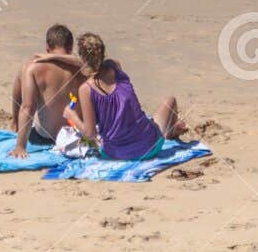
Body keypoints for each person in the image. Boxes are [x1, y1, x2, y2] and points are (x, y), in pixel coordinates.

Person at [69, 32, 186, 161]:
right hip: (150, 147)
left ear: (82, 58)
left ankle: (171, 130)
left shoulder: (85, 89)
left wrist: (72, 116)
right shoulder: (115, 67)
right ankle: (172, 131)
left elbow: (90, 133)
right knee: (170, 100)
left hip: (115, 154)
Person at [10, 24, 85, 158]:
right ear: (71, 46)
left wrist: (20, 146)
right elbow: (95, 62)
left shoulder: (34, 68)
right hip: (75, 133)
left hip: (45, 137)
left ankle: (14, 123)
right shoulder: (84, 68)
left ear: (47, 49)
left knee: (22, 75)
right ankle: (15, 123)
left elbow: (28, 107)